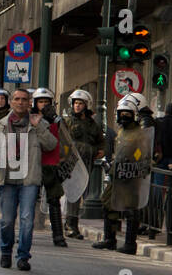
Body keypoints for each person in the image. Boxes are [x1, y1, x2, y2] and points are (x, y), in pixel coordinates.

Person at [0, 87, 57, 270]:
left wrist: (38, 126)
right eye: (17, 99)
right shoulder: (1, 125)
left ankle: (23, 256)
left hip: (29, 178)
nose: (20, 102)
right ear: (11, 102)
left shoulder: (37, 123)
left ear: (29, 103)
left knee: (27, 219)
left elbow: (51, 144)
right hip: (7, 178)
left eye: (24, 99)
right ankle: (5, 252)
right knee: (7, 220)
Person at [95, 96, 149, 255]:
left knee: (131, 208)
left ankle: (130, 243)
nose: (124, 116)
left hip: (131, 177)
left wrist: (135, 164)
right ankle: (109, 238)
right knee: (108, 202)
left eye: (128, 113)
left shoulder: (139, 134)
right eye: (122, 113)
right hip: (117, 174)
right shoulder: (121, 132)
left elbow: (142, 155)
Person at [30, 87, 70, 247]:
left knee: (54, 199)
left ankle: (58, 236)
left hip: (52, 165)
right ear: (35, 103)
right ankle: (27, 232)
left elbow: (66, 140)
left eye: (47, 102)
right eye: (40, 102)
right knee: (30, 199)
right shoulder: (31, 118)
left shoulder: (57, 120)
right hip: (35, 163)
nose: (44, 105)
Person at [63, 89, 103, 240]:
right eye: (75, 103)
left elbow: (101, 142)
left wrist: (101, 151)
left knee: (79, 193)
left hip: (86, 163)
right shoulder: (67, 122)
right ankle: (69, 224)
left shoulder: (93, 125)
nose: (77, 106)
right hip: (71, 162)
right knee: (73, 192)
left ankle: (72, 223)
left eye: (80, 103)